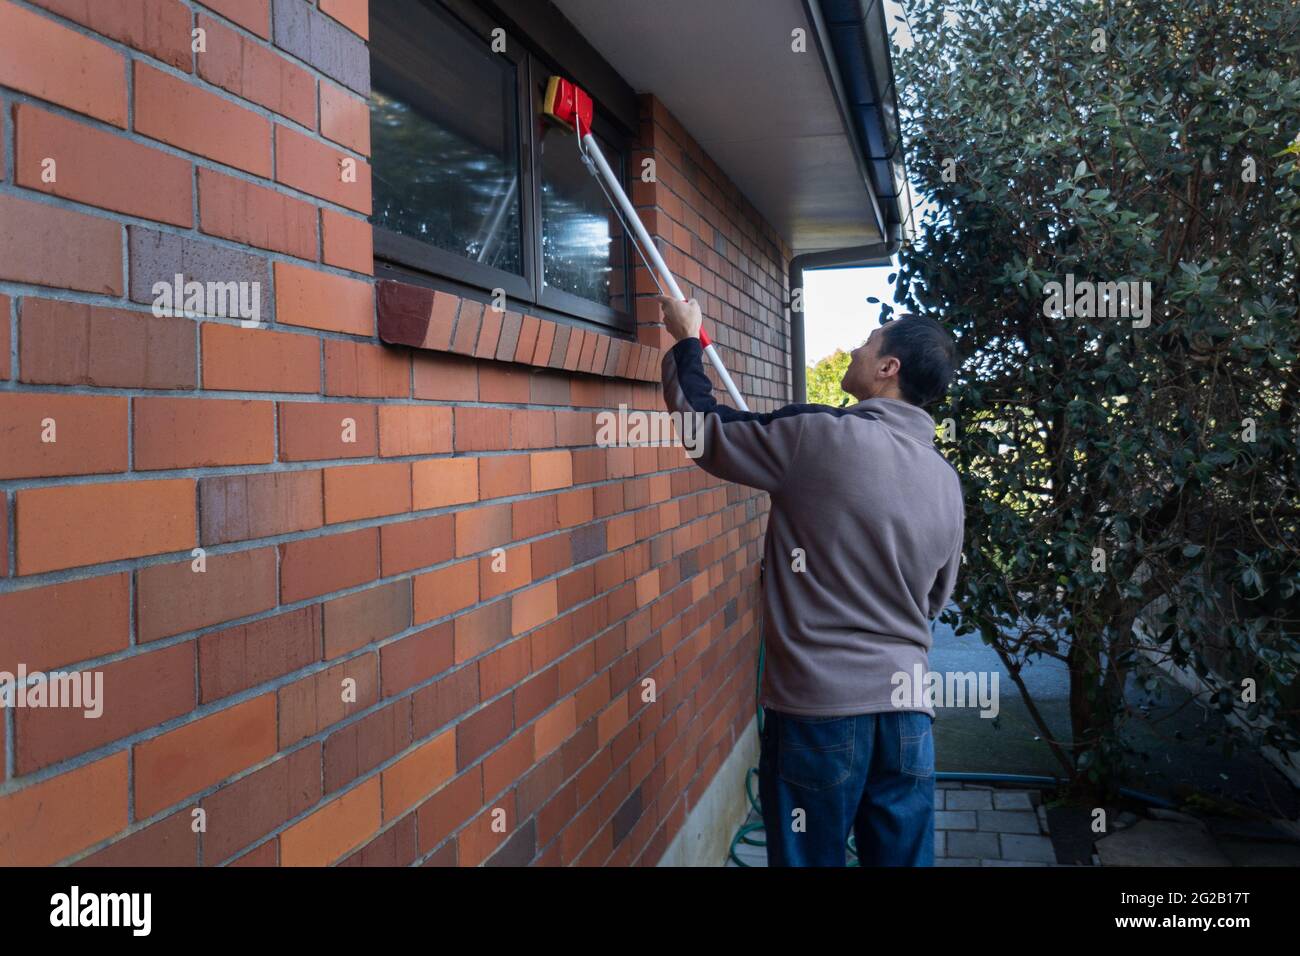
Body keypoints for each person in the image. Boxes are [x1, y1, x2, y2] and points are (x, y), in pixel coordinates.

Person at [658, 297, 963, 867]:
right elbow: (933, 599)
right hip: (908, 717)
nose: (855, 348)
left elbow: (707, 431)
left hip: (821, 712)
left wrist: (684, 341)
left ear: (887, 368)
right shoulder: (945, 481)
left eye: (869, 342)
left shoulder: (819, 436)